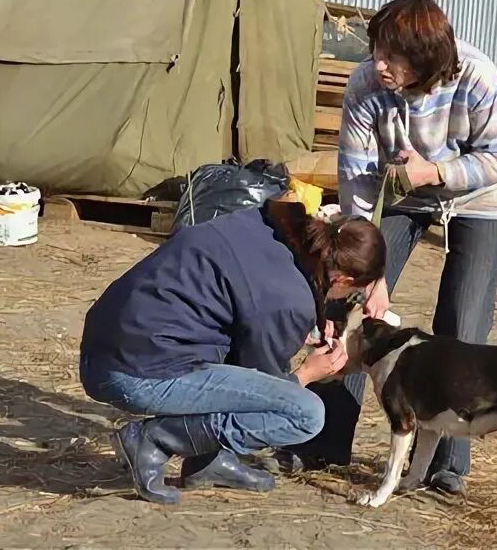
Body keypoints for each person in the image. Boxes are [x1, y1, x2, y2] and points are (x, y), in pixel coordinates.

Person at [289, 0, 497, 494]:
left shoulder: (476, 75)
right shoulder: (365, 84)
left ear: (427, 57)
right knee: (352, 306)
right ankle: (324, 440)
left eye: (393, 56)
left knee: (463, 323)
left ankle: (447, 463)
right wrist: (371, 274)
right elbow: (355, 181)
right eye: (376, 51)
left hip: (478, 198)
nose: (379, 65)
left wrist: (435, 171)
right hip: (398, 195)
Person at [79, 200, 386, 504]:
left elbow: (243, 297)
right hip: (131, 372)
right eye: (355, 291)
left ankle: (209, 462)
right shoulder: (287, 302)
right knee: (305, 414)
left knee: (229, 347)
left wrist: (306, 322)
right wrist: (307, 373)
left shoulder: (268, 223)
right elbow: (261, 390)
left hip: (107, 344)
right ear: (343, 279)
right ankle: (152, 441)